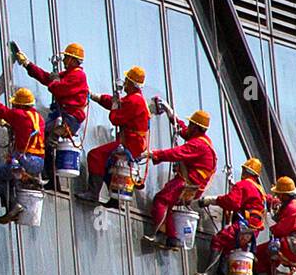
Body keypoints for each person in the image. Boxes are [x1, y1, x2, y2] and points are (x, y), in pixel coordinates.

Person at [145, 110, 217, 248]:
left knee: (161, 201)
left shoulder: (198, 145)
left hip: (186, 184)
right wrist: (172, 117)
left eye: (191, 124)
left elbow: (177, 153)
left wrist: (155, 154)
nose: (188, 126)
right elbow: (184, 131)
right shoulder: (203, 142)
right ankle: (172, 239)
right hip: (193, 186)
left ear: (196, 128)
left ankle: (161, 235)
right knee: (168, 205)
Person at [80, 66, 150, 206]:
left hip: (130, 143)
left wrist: (113, 108)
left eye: (127, 81)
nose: (124, 83)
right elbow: (117, 103)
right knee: (107, 164)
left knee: (95, 155)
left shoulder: (134, 101)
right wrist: (96, 97)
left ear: (131, 83)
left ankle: (93, 193)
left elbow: (115, 117)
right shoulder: (135, 99)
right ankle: (115, 199)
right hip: (132, 142)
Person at [195, 158, 267, 275]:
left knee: (219, 240)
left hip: (243, 226)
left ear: (245, 171)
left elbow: (232, 202)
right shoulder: (260, 190)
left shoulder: (243, 185)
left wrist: (213, 200)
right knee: (227, 246)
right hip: (252, 230)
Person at [0, 86, 45, 224]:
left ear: (20, 105)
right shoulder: (38, 118)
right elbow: (22, 128)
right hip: (39, 162)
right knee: (9, 178)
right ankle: (11, 209)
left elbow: (0, 109)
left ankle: (12, 206)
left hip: (25, 160)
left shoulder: (19, 115)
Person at [12, 42, 89, 147]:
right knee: (42, 134)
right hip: (64, 116)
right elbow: (46, 78)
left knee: (47, 140)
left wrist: (55, 81)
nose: (63, 60)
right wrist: (28, 65)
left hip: (70, 119)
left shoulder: (78, 75)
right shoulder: (68, 74)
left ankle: (48, 161)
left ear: (73, 60)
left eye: (66, 57)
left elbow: (58, 89)